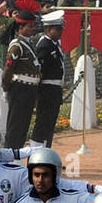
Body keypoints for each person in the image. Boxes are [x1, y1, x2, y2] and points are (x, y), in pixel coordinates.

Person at [1, 10, 42, 149]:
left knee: (24, 123)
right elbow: (8, 69)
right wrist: (6, 88)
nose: (32, 29)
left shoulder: (29, 43)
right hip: (20, 88)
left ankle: (17, 151)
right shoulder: (16, 45)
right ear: (21, 28)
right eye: (29, 26)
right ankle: (10, 153)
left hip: (30, 89)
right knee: (16, 124)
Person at [31, 9, 68, 147]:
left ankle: (46, 153)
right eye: (58, 29)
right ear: (48, 29)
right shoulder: (44, 46)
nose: (61, 32)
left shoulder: (54, 44)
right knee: (42, 123)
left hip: (54, 89)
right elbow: (40, 71)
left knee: (50, 124)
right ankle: (35, 154)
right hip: (46, 90)